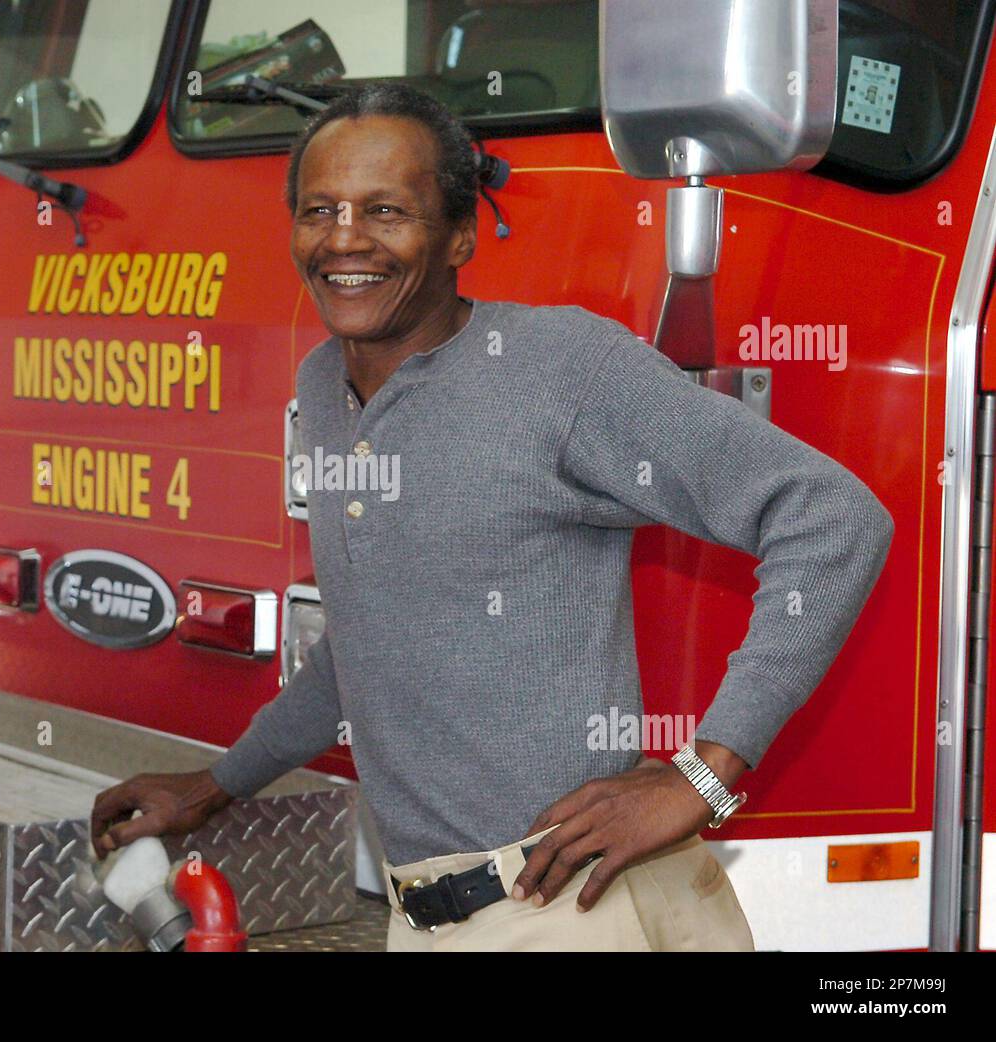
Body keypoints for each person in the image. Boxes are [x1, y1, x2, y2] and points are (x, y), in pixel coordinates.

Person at [90, 83, 894, 952]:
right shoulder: (323, 388)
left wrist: (705, 775)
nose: (346, 238)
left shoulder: (561, 371)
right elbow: (368, 635)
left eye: (387, 210)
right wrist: (217, 785)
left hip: (573, 914)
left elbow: (832, 517)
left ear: (460, 236)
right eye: (319, 210)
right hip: (426, 920)